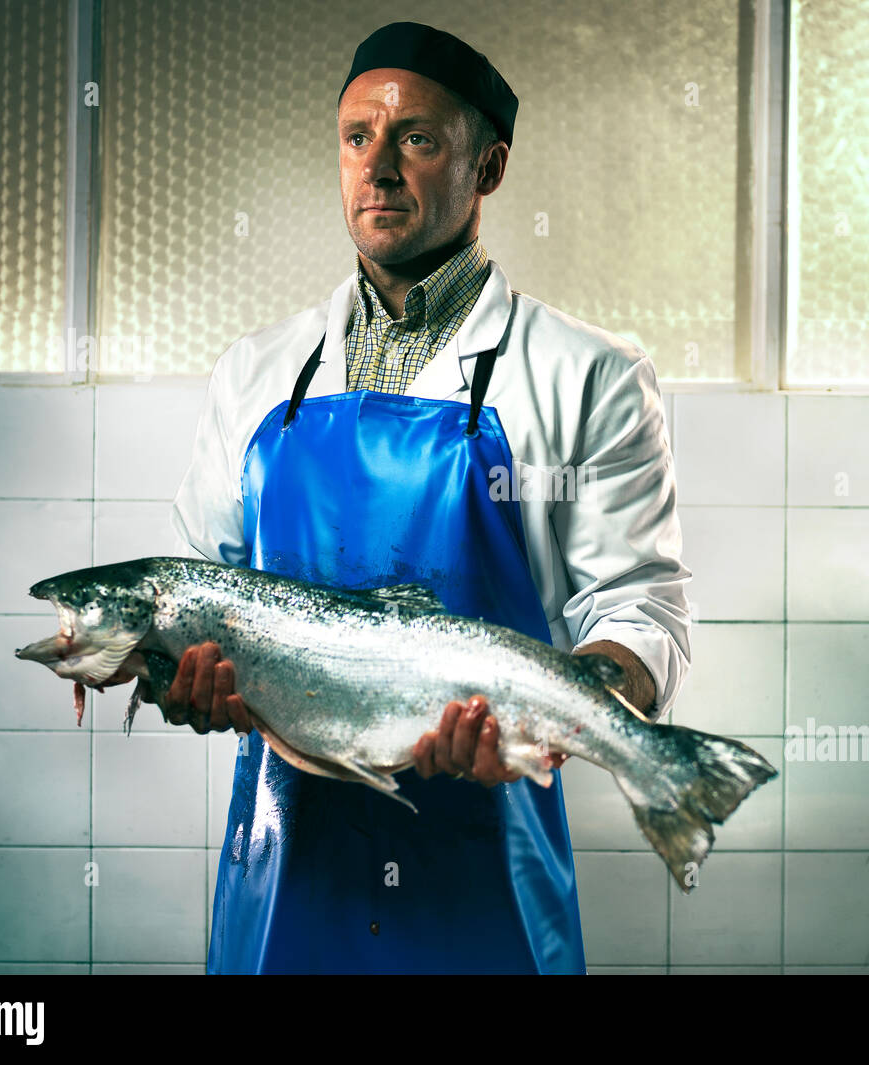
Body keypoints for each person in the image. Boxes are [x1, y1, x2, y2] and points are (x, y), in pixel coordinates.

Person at [162, 21, 691, 974]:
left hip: (490, 874)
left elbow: (641, 610)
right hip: (288, 870)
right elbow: (211, 596)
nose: (379, 170)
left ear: (486, 167)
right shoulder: (253, 375)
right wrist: (184, 680)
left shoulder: (589, 375)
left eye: (416, 139)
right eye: (357, 137)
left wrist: (541, 720)